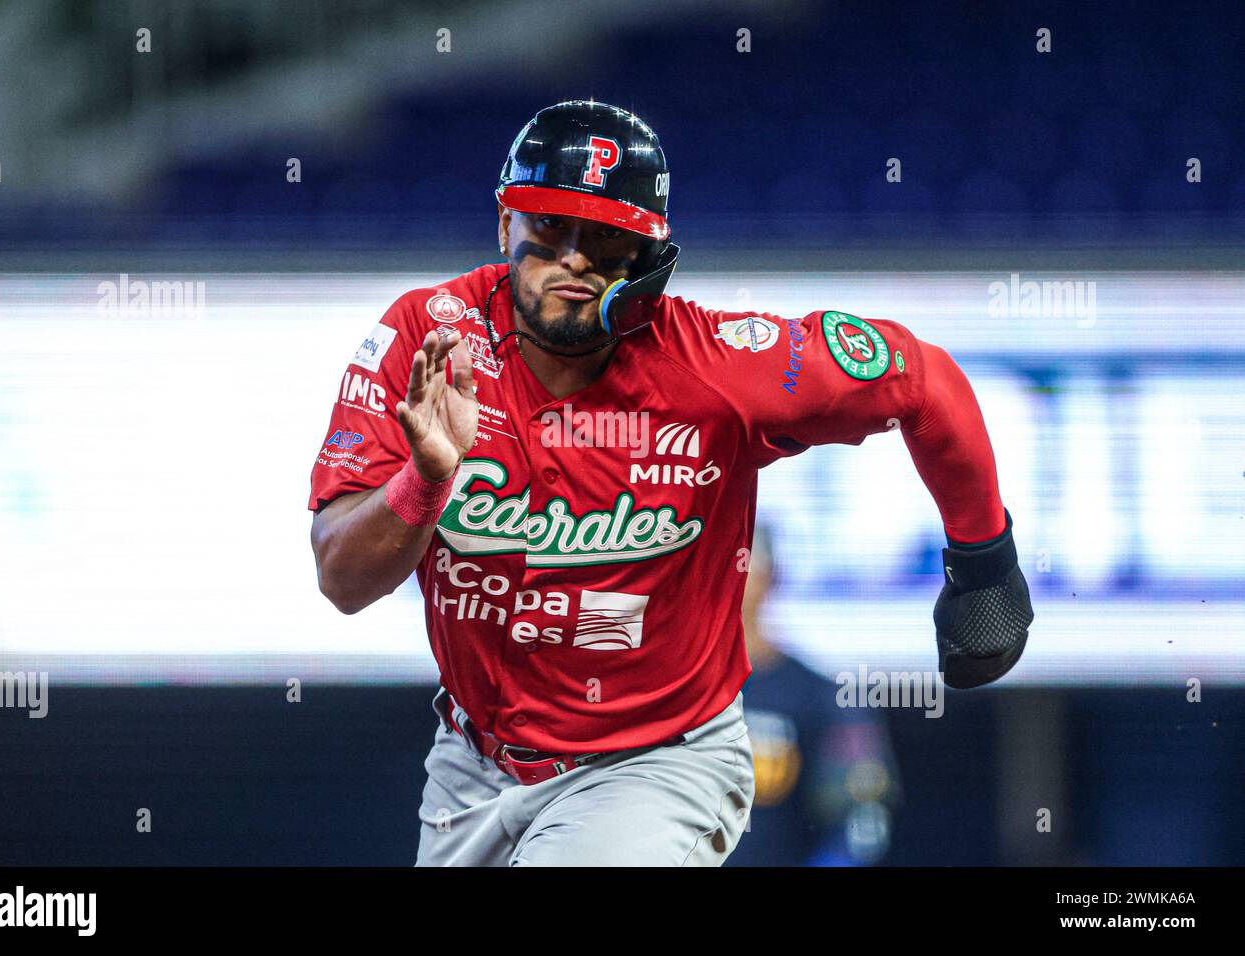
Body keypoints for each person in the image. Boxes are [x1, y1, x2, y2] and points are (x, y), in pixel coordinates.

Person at [307, 99, 1034, 866]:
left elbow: (924, 381)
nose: (575, 259)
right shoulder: (430, 339)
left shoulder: (721, 369)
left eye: (606, 238)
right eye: (549, 227)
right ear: (504, 226)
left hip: (653, 762)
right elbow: (342, 580)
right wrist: (425, 479)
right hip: (471, 767)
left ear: (651, 256)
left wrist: (984, 563)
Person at [725, 524, 902, 867]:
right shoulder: (668, 689)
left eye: (738, 566)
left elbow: (863, 817)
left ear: (770, 578)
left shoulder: (819, 697)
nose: (723, 583)